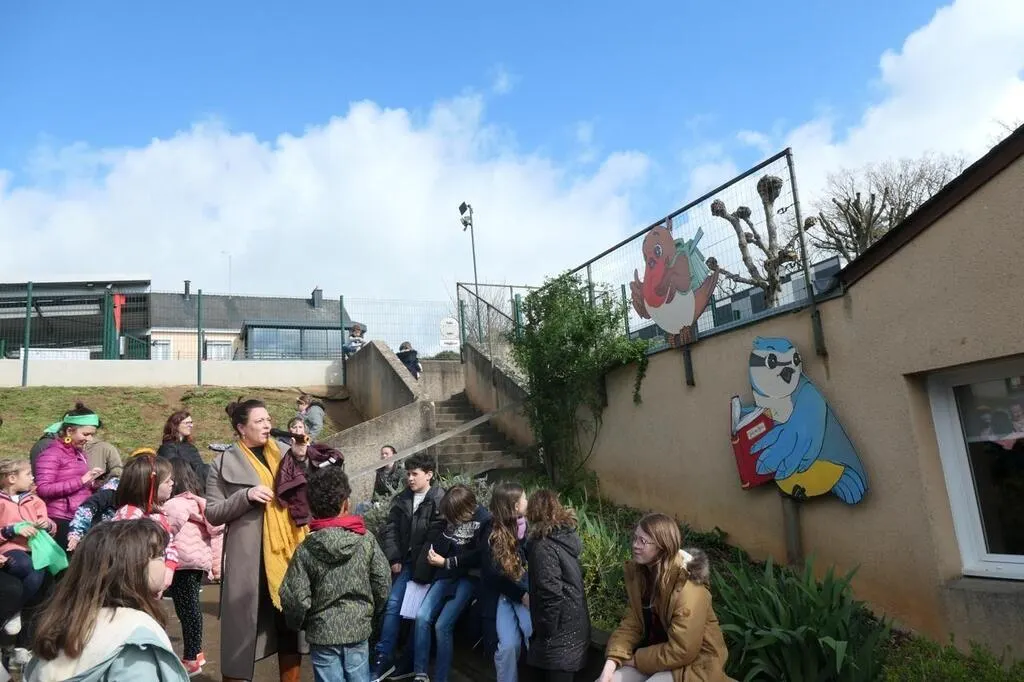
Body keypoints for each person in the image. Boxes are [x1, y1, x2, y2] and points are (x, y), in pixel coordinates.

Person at [205, 398, 309, 682]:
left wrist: (301, 458)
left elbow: (307, 493)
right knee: (242, 629)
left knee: (289, 628)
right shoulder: (221, 463)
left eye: (268, 419)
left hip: (287, 555)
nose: (267, 425)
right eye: (259, 421)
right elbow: (213, 513)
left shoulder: (286, 452)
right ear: (241, 428)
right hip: (248, 561)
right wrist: (245, 496)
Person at [23, 518, 190, 682]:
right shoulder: (135, 640)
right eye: (158, 555)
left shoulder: (60, 625)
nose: (164, 561)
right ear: (129, 566)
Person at [280, 467, 392, 682]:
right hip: (357, 629)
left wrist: (300, 624)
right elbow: (383, 583)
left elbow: (294, 598)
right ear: (346, 503)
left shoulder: (306, 549)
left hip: (322, 634)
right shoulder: (366, 540)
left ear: (312, 509)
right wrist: (369, 614)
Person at [599, 513, 730, 682]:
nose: (635, 545)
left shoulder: (688, 587)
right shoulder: (642, 573)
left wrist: (635, 660)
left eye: (643, 541)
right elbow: (632, 623)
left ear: (663, 546)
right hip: (657, 655)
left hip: (696, 664)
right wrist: (612, 662)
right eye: (635, 538)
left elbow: (682, 650)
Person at [371, 453, 445, 681]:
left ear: (429, 475)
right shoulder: (403, 498)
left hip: (429, 567)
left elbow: (436, 537)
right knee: (393, 605)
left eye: (415, 474)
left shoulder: (439, 499)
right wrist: (394, 558)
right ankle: (384, 657)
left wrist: (421, 573)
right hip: (405, 563)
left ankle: (409, 662)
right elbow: (390, 529)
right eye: (408, 474)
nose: (410, 479)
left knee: (415, 614)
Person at [414, 484, 492, 682]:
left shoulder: (484, 520)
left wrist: (449, 562)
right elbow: (439, 547)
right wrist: (446, 535)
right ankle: (420, 673)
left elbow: (480, 555)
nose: (450, 518)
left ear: (465, 509)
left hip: (468, 577)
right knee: (422, 616)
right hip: (446, 574)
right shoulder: (452, 518)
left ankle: (441, 678)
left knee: (442, 625)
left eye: (453, 515)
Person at [163, 458, 221, 676]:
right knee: (191, 607)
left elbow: (167, 528)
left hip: (183, 560)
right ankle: (196, 654)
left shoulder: (176, 503)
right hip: (197, 561)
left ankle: (192, 657)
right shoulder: (197, 502)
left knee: (186, 609)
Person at [526, 489, 590, 682]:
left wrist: (545, 629)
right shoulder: (564, 537)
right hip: (575, 627)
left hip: (559, 637)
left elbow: (550, 593)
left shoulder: (543, 547)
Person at [33, 403, 105, 550]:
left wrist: (94, 483)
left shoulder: (79, 453)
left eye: (92, 434)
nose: (90, 439)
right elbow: (43, 489)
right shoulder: (51, 454)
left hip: (79, 517)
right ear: (69, 431)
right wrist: (81, 480)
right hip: (60, 519)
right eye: (86, 434)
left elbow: (78, 484)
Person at [0, 459, 57, 641]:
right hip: (10, 548)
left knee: (39, 570)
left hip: (35, 548)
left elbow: (51, 526)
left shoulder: (35, 501)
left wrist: (46, 525)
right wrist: (11, 530)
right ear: (11, 478)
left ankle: (14, 610)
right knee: (24, 565)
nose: (32, 477)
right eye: (27, 474)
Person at [481, 482, 532, 682]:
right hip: (505, 593)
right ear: (514, 506)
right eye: (524, 498)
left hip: (523, 589)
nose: (528, 501)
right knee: (508, 645)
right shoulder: (491, 531)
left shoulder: (526, 526)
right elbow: (493, 574)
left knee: (531, 632)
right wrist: (521, 595)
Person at [111, 452, 180, 595]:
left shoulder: (158, 514)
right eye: (167, 481)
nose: (172, 483)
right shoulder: (129, 516)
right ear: (149, 486)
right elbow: (126, 554)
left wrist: (169, 568)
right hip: (133, 587)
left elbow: (170, 544)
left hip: (153, 583)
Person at [275, 418, 345, 528]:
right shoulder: (281, 447)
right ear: (289, 430)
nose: (298, 430)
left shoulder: (314, 448)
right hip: (302, 504)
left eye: (300, 427)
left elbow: (332, 459)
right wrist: (298, 455)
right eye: (295, 427)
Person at [158, 410, 210, 483]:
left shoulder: (191, 447)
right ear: (176, 425)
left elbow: (199, 468)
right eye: (187, 423)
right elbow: (176, 471)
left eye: (191, 422)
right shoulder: (167, 448)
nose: (191, 425)